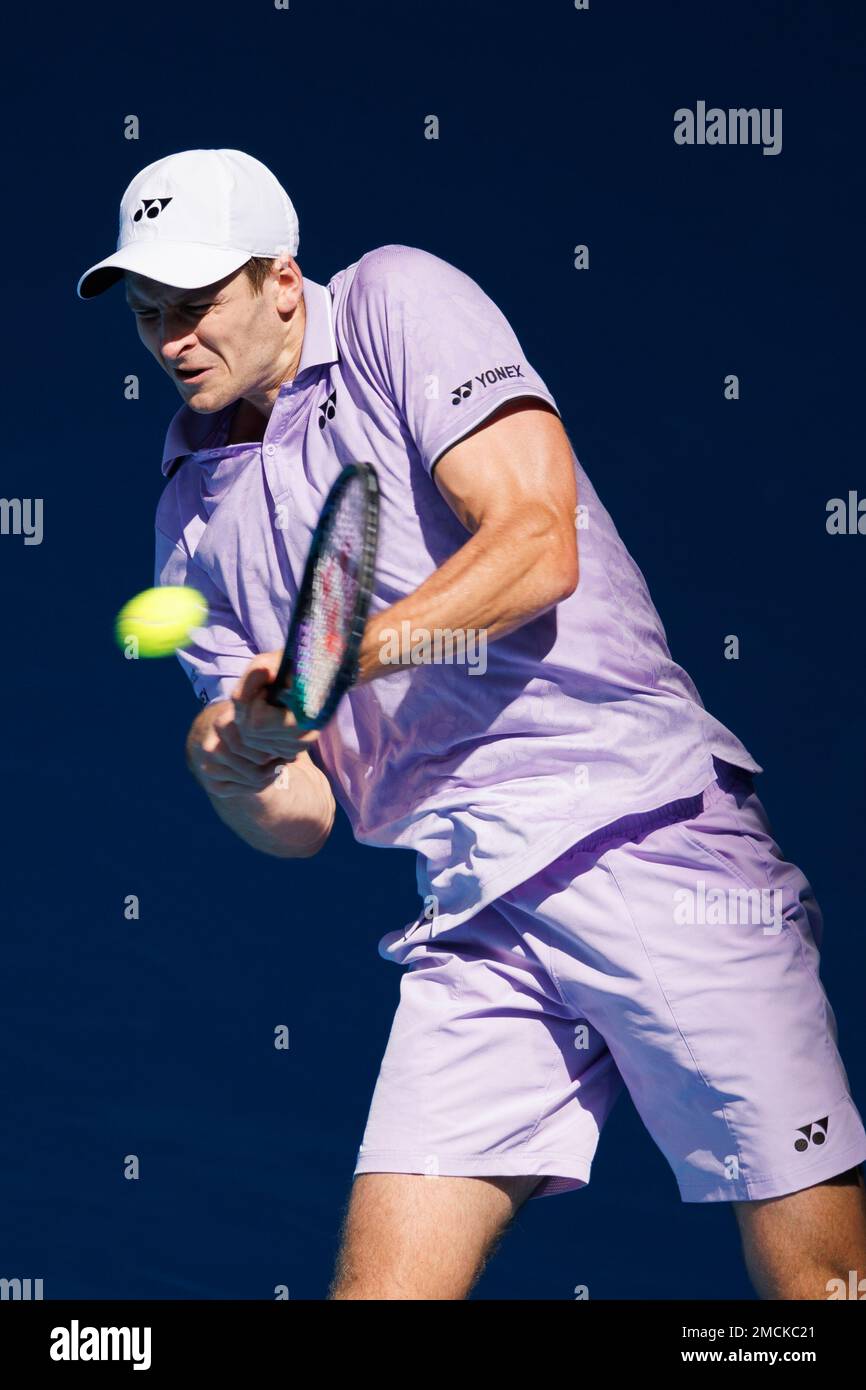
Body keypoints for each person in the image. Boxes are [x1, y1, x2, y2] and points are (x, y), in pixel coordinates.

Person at [78, 147, 866, 1300]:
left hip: (647, 838)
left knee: (820, 1285)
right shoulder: (189, 518)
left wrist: (336, 653)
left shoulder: (399, 298)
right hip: (470, 911)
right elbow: (302, 817)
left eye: (194, 305)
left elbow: (538, 543)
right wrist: (233, 763)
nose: (169, 339)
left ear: (283, 279)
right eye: (148, 315)